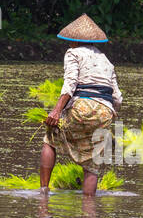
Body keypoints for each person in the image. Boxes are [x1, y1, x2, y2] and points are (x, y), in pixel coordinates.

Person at [40, 14, 123, 196]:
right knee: (92, 164)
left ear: (75, 41)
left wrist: (56, 112)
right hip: (105, 112)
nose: (69, 45)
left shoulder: (73, 53)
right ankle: (89, 213)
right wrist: (107, 121)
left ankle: (43, 193)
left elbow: (70, 85)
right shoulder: (106, 60)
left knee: (50, 139)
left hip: (82, 107)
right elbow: (117, 97)